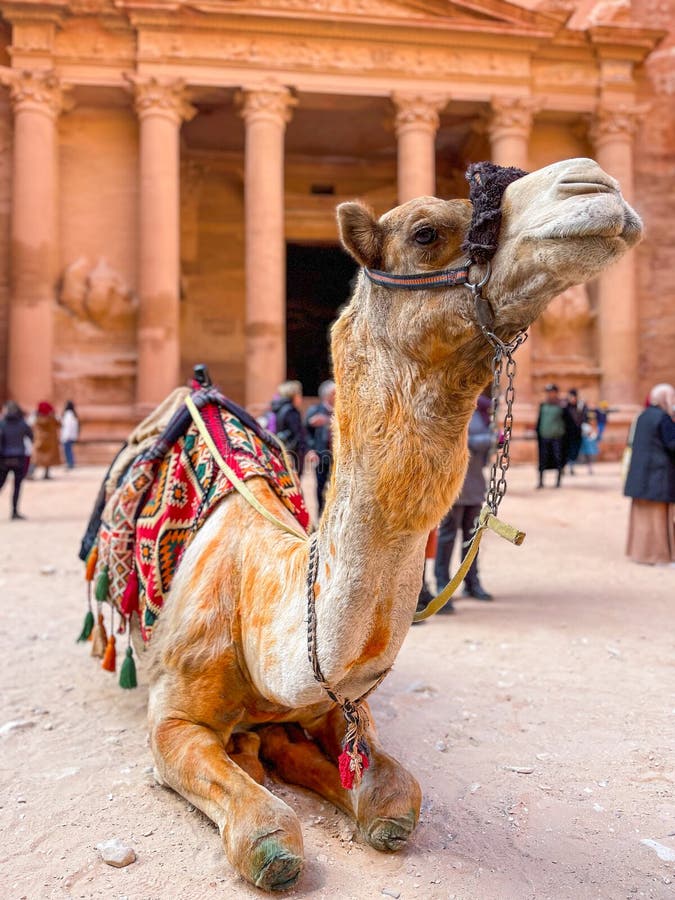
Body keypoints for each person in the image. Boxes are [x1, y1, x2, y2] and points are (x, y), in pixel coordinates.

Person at [433, 394, 494, 610]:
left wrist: (493, 440)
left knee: (472, 537)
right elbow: (456, 441)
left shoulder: (480, 414)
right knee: (448, 537)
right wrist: (491, 439)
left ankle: (471, 581)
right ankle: (442, 583)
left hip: (475, 485)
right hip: (454, 487)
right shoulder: (450, 411)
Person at [623, 383, 675, 566]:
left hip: (640, 477)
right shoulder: (663, 418)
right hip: (657, 477)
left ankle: (640, 553)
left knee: (642, 517)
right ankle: (658, 555)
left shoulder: (642, 416)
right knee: (658, 519)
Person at [305, 380, 335, 517]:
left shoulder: (340, 411)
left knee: (336, 486)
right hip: (321, 454)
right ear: (326, 395)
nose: (336, 396)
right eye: (333, 393)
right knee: (321, 485)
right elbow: (305, 433)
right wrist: (310, 450)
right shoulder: (315, 410)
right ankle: (320, 515)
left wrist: (327, 420)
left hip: (338, 456)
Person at [0, 401, 33, 520]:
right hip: (19, 457)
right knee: (17, 486)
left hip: (4, 458)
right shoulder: (23, 424)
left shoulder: (2, 424)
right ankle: (14, 511)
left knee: (1, 484)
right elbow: (31, 437)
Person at [270, 381, 308, 475]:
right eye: (299, 394)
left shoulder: (281, 408)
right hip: (293, 453)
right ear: (293, 396)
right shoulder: (291, 411)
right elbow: (297, 434)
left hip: (283, 449)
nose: (301, 398)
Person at [536, 384, 567, 488]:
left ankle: (558, 482)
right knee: (542, 460)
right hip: (544, 436)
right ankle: (540, 482)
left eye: (552, 392)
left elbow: (568, 422)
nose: (550, 394)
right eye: (548, 392)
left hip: (557, 437)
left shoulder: (561, 406)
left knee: (558, 459)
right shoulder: (543, 405)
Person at [32, 401, 62, 479]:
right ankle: (46, 474)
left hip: (40, 441)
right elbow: (59, 424)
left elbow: (32, 426)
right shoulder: (52, 418)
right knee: (48, 459)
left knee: (36, 458)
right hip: (50, 442)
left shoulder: (37, 418)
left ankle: (30, 473)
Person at [564, 388, 587, 474]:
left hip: (577, 433)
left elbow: (585, 418)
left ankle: (571, 467)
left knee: (574, 451)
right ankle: (565, 467)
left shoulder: (580, 406)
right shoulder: (565, 407)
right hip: (567, 433)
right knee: (566, 451)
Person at [60, 400, 80, 470]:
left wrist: (66, 436)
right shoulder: (73, 415)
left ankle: (70, 463)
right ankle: (70, 462)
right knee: (69, 450)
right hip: (71, 436)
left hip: (67, 436)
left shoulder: (68, 415)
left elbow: (68, 426)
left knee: (67, 450)